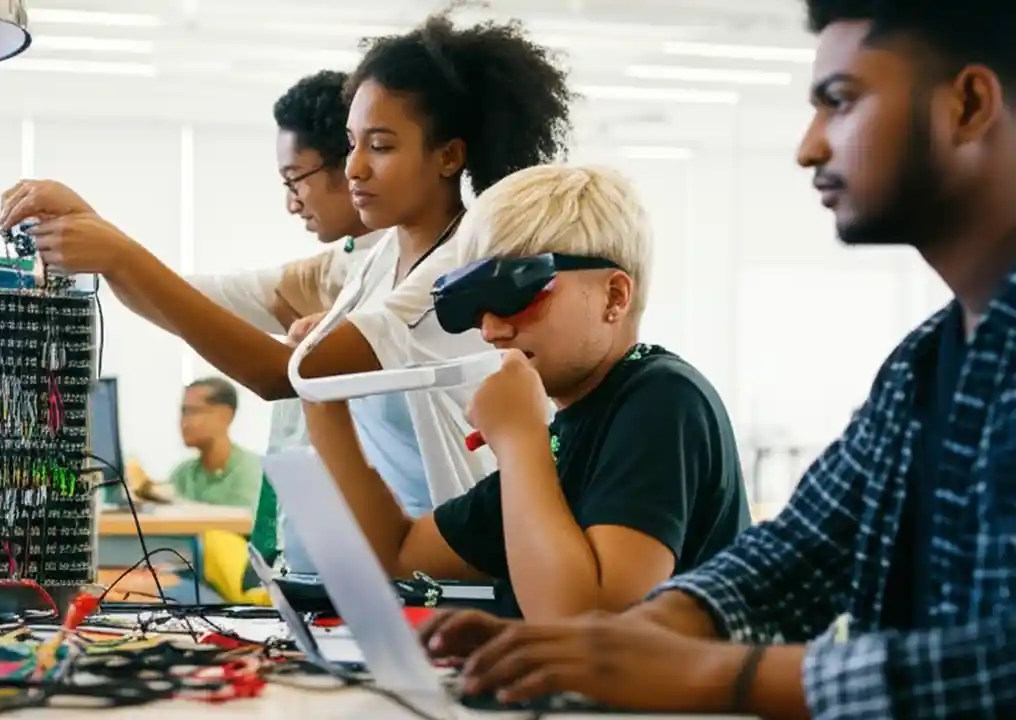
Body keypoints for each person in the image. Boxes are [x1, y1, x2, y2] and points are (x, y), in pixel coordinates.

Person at [418, 3, 1016, 717]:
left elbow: (1000, 661)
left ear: (970, 104)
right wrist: (610, 647)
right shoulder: (924, 365)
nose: (809, 148)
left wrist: (714, 675)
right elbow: (799, 552)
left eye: (841, 102)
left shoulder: (658, 396)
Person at [0, 15, 574, 520]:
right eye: (351, 145)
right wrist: (103, 240)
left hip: (467, 566)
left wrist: (119, 253)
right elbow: (194, 303)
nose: (355, 170)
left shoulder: (452, 272)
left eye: (381, 146)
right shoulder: (378, 266)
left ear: (448, 154)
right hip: (413, 560)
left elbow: (287, 376)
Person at [303, 165, 749, 621]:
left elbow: (592, 624)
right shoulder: (565, 436)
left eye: (518, 292)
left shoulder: (662, 398)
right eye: (474, 304)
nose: (492, 329)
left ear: (614, 296)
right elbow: (396, 552)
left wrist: (519, 439)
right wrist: (321, 399)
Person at [161, 377, 262, 510]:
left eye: (194, 411)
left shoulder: (254, 473)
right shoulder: (182, 475)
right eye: (184, 412)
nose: (184, 423)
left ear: (226, 415)